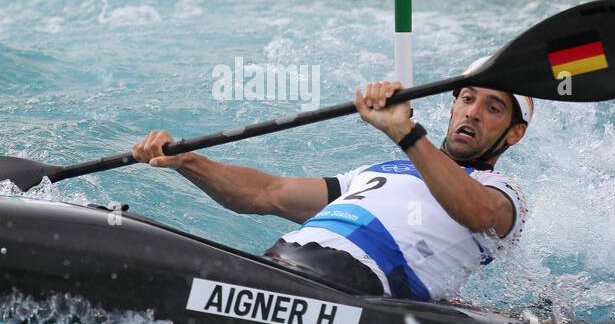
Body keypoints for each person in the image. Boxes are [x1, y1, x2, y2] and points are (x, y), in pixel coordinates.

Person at [131, 64, 530, 302]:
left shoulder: (504, 193)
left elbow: (477, 213)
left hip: (357, 288)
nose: (473, 113)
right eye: (466, 98)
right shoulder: (379, 172)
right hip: (279, 264)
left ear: (514, 134)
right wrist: (187, 161)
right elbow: (266, 193)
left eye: (492, 108)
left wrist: (406, 133)